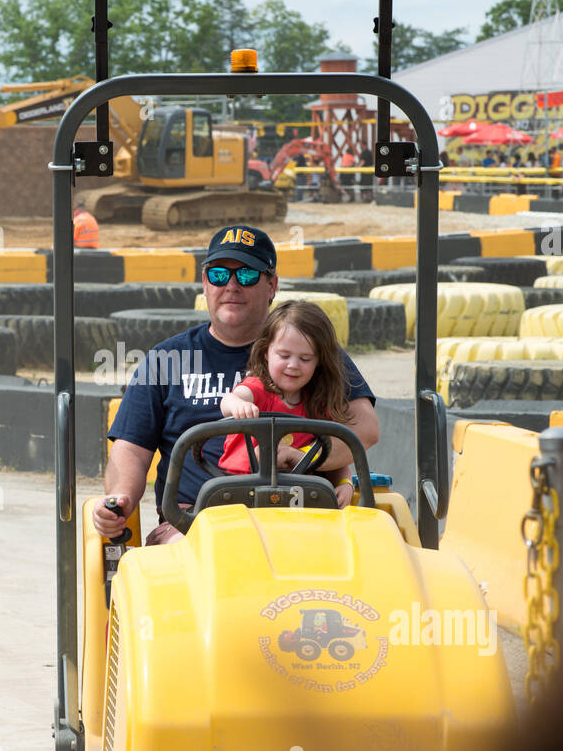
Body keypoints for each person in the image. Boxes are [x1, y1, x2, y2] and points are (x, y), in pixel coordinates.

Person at [94, 224, 379, 546]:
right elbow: (131, 447)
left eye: (246, 276)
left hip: (301, 512)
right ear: (205, 283)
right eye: (218, 275)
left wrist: (297, 458)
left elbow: (364, 429)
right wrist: (120, 499)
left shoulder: (308, 352)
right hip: (194, 521)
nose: (231, 286)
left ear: (271, 285)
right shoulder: (166, 358)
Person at [218, 300, 358, 509]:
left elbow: (335, 459)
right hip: (238, 494)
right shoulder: (258, 389)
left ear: (319, 361)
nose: (293, 365)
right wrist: (238, 405)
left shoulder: (318, 406)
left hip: (298, 499)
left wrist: (345, 483)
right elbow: (229, 400)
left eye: (305, 358)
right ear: (266, 352)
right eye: (284, 355)